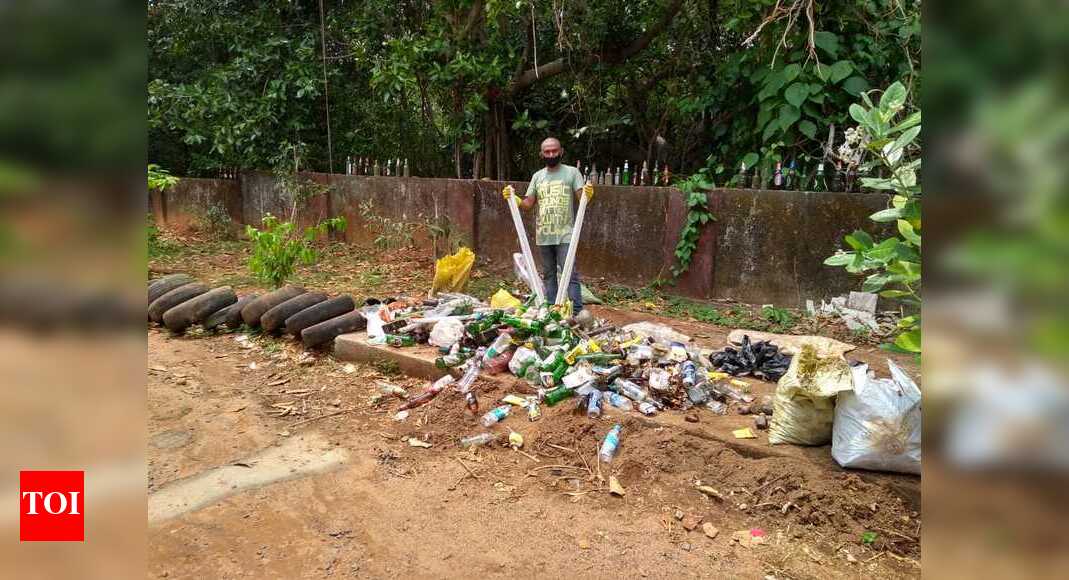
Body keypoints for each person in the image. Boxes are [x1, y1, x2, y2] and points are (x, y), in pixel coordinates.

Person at [503, 137, 594, 311]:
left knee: (570, 274)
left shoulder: (572, 173)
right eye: (547, 151)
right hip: (544, 234)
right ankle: (553, 310)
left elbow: (581, 197)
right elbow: (528, 204)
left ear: (561, 152)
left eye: (554, 151)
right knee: (549, 274)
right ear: (541, 154)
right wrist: (514, 199)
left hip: (566, 234)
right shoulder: (538, 176)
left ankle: (576, 312)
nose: (551, 154)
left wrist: (587, 195)